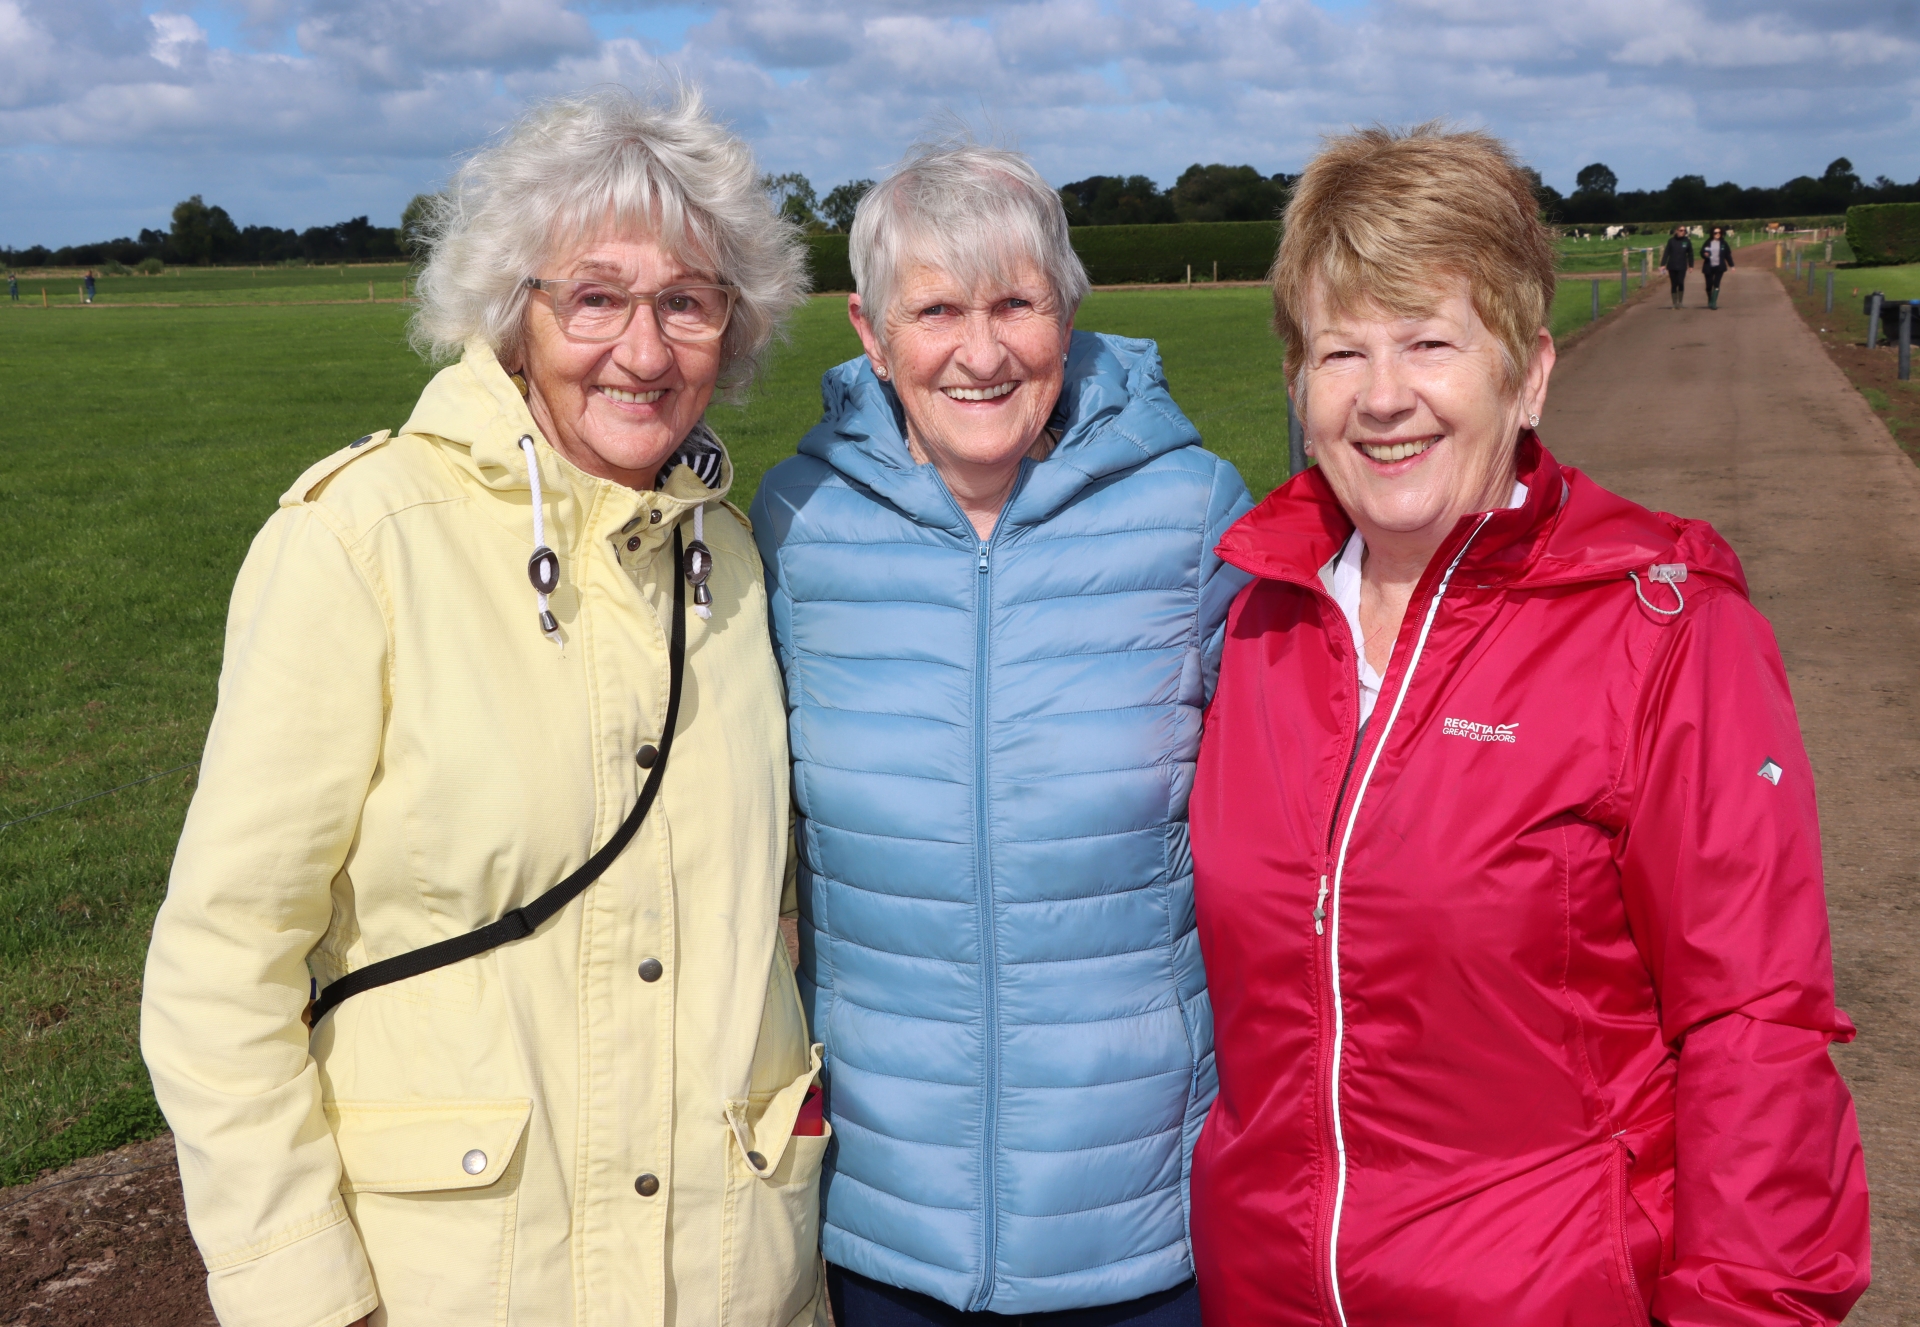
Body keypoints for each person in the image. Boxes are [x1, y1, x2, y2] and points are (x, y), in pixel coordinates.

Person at [141, 85, 825, 1327]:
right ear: (515, 312)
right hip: (456, 1287)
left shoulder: (730, 553)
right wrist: (299, 1292)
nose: (644, 347)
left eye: (687, 299)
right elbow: (217, 966)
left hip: (732, 1280)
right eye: (595, 296)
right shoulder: (362, 541)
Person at [1188, 125, 1870, 1325]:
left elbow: (1755, 1031)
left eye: (1430, 342)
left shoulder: (1663, 630)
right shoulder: (1264, 625)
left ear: (1529, 372)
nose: (1383, 394)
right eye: (1342, 349)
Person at [750, 140, 1253, 1326]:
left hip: (1145, 1224)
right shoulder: (794, 527)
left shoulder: (1196, 516)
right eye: (935, 310)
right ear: (872, 334)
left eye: (1015, 303)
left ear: (1067, 315)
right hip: (886, 1229)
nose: (980, 352)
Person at [1701, 225, 1735, 310]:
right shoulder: (1708, 242)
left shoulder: (1724, 243)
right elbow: (1702, 252)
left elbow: (1728, 255)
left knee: (1716, 283)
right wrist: (1705, 254)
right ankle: (1710, 298)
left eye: (1719, 233)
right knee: (1709, 285)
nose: (1717, 234)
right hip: (1708, 266)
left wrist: (1732, 266)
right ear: (1712, 233)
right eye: (1715, 232)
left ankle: (1713, 302)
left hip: (1719, 266)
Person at [1662, 224, 1694, 309]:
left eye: (1684, 231)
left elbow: (1690, 254)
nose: (1683, 232)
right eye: (1681, 230)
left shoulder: (1687, 241)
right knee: (1674, 284)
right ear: (1677, 231)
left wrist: (1691, 265)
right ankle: (1674, 303)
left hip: (1682, 266)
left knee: (1680, 282)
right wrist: (1663, 264)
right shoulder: (1671, 241)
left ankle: (1680, 302)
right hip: (1672, 266)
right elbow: (1666, 253)